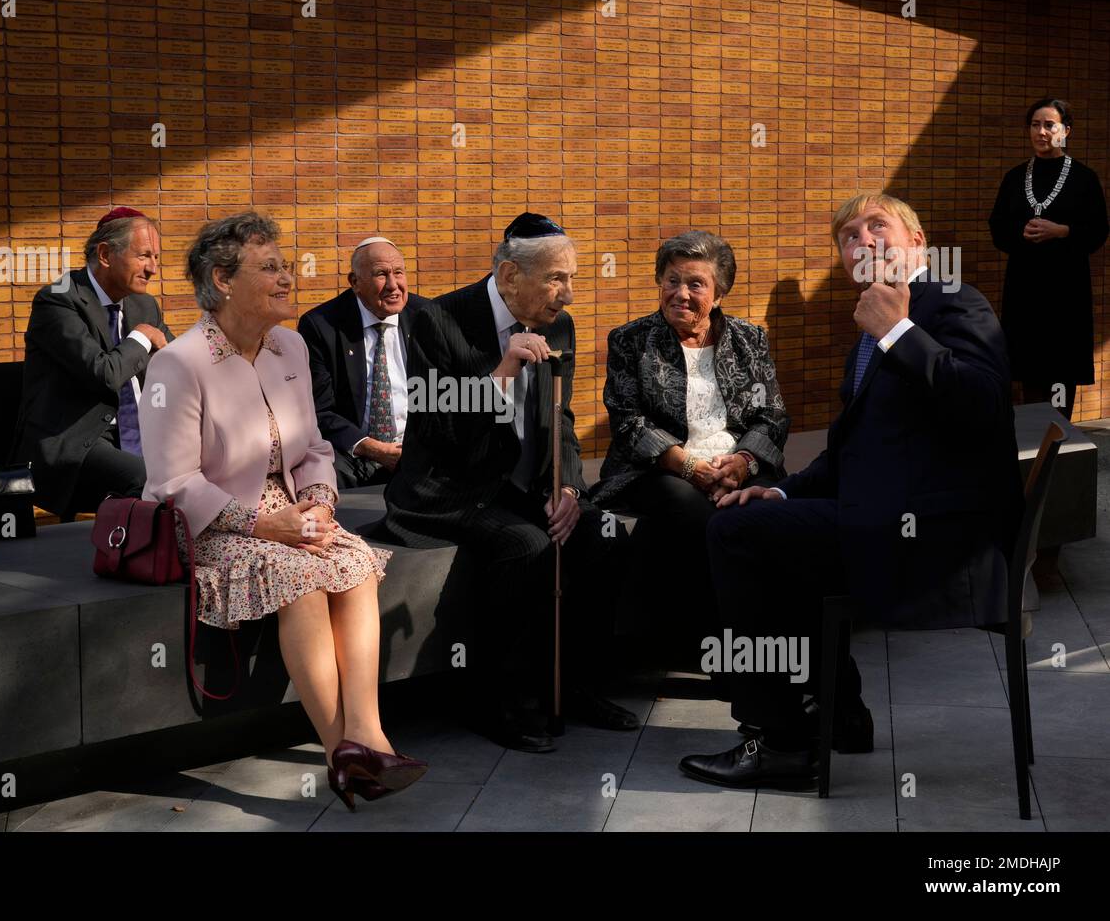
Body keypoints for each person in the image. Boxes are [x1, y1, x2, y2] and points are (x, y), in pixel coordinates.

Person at [680, 193, 1022, 790]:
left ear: (918, 241)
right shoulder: (870, 329)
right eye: (847, 236)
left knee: (735, 536)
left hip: (942, 545)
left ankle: (781, 740)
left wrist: (899, 332)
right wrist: (783, 495)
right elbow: (847, 457)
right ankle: (840, 715)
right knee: (762, 521)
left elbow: (986, 406)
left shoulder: (952, 301)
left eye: (876, 227)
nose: (861, 241)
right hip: (886, 519)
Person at [140, 211, 426, 811]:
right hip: (216, 523)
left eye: (286, 266)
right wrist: (265, 523)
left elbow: (317, 449)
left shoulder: (290, 346)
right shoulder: (179, 363)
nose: (287, 278)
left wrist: (319, 503)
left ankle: (369, 737)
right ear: (221, 279)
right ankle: (339, 750)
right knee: (300, 576)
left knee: (352, 563)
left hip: (295, 511)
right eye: (269, 268)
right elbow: (171, 483)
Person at [385, 212, 635, 753]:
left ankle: (570, 686)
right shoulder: (435, 318)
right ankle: (490, 700)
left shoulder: (557, 324)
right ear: (507, 276)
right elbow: (435, 426)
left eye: (571, 278)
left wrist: (568, 488)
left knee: (602, 534)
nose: (567, 293)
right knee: (526, 545)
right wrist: (499, 373)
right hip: (447, 487)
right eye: (556, 279)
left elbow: (561, 419)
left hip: (521, 482)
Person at [591, 231, 789, 639]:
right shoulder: (630, 340)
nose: (680, 293)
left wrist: (742, 463)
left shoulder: (749, 339)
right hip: (658, 469)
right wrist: (693, 468)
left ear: (718, 294)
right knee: (701, 513)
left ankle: (767, 635)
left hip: (737, 464)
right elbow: (629, 423)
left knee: (771, 510)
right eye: (672, 280)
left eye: (695, 284)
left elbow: (772, 415)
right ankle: (719, 639)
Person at [12, 207, 174, 517]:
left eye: (156, 257)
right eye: (143, 256)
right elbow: (104, 373)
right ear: (105, 254)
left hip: (142, 433)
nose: (153, 269)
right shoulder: (58, 299)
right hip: (77, 441)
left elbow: (176, 364)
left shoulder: (143, 304)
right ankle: (128, 560)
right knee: (148, 481)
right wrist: (139, 338)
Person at [990, 97, 1108, 420]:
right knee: (1029, 368)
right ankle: (1033, 443)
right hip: (1025, 289)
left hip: (1066, 292)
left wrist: (1062, 231)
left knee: (1060, 371)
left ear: (1065, 130)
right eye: (1035, 125)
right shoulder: (1015, 178)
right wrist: (1021, 233)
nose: (1041, 132)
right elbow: (997, 227)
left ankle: (1056, 438)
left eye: (1049, 125)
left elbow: (1098, 230)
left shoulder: (1084, 179)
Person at [297, 236, 429, 489]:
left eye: (399, 273)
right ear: (355, 282)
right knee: (318, 474)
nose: (393, 285)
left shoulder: (426, 316)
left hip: (417, 447)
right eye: (381, 274)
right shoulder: (322, 325)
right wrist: (370, 447)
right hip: (353, 452)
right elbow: (319, 410)